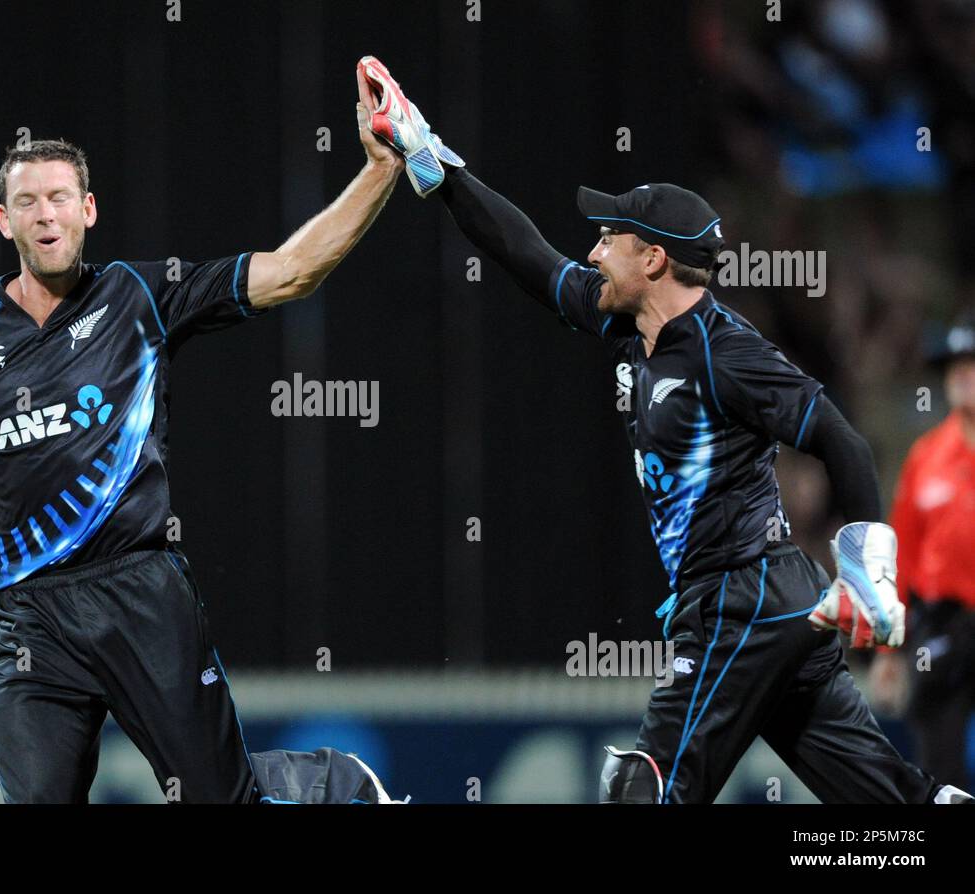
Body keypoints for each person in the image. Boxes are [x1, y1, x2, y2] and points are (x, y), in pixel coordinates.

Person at [355, 55, 972, 803]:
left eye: (608, 236)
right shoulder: (628, 324)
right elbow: (526, 254)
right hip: (771, 606)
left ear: (652, 258)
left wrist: (869, 570)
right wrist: (431, 158)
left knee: (640, 791)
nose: (591, 251)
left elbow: (838, 438)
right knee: (890, 806)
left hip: (738, 599)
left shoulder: (726, 352)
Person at [0, 70, 405, 804]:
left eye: (60, 197)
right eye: (26, 202)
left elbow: (290, 274)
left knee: (221, 799)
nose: (45, 214)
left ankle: (327, 780)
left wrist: (380, 170)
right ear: (5, 222)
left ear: (88, 210)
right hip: (33, 616)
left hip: (141, 595)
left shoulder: (137, 296)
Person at [872, 316, 975, 791]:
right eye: (955, 366)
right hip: (942, 627)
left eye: (971, 364)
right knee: (938, 767)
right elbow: (903, 558)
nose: (960, 375)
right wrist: (889, 649)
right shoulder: (926, 457)